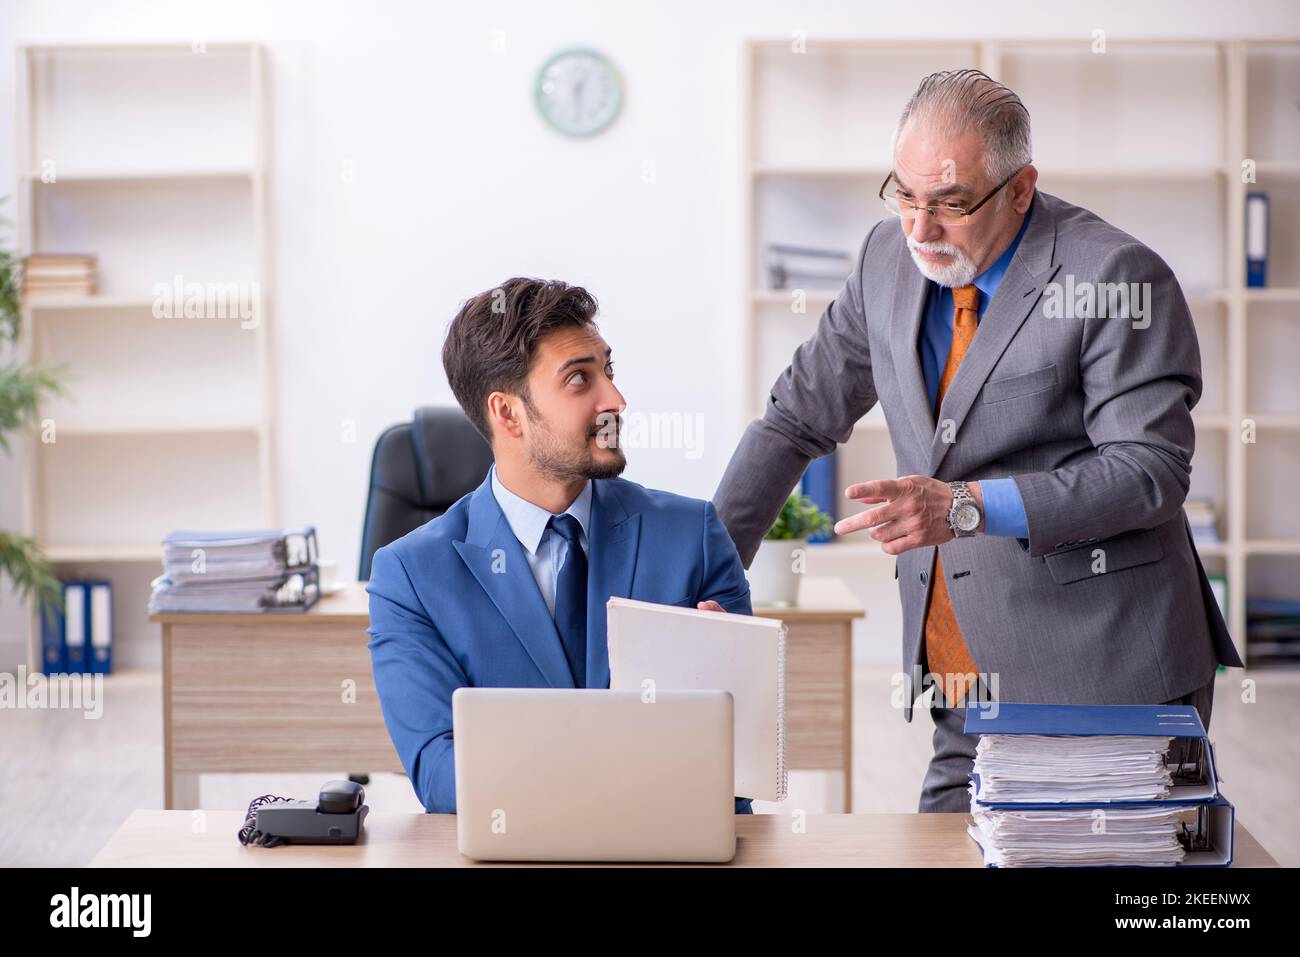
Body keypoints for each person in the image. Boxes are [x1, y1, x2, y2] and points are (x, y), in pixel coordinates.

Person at [712, 69, 1242, 812]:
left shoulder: (1115, 276)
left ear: (1021, 188)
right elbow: (794, 419)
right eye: (904, 194)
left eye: (951, 204)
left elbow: (1149, 471)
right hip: (962, 670)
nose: (920, 228)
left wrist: (965, 505)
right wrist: (704, 578)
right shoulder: (883, 260)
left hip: (1103, 670)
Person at [368, 277, 753, 813]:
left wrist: (729, 685)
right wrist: (647, 749)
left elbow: (740, 761)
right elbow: (442, 776)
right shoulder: (410, 577)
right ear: (507, 414)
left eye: (608, 371)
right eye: (579, 380)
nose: (615, 400)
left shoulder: (694, 536)